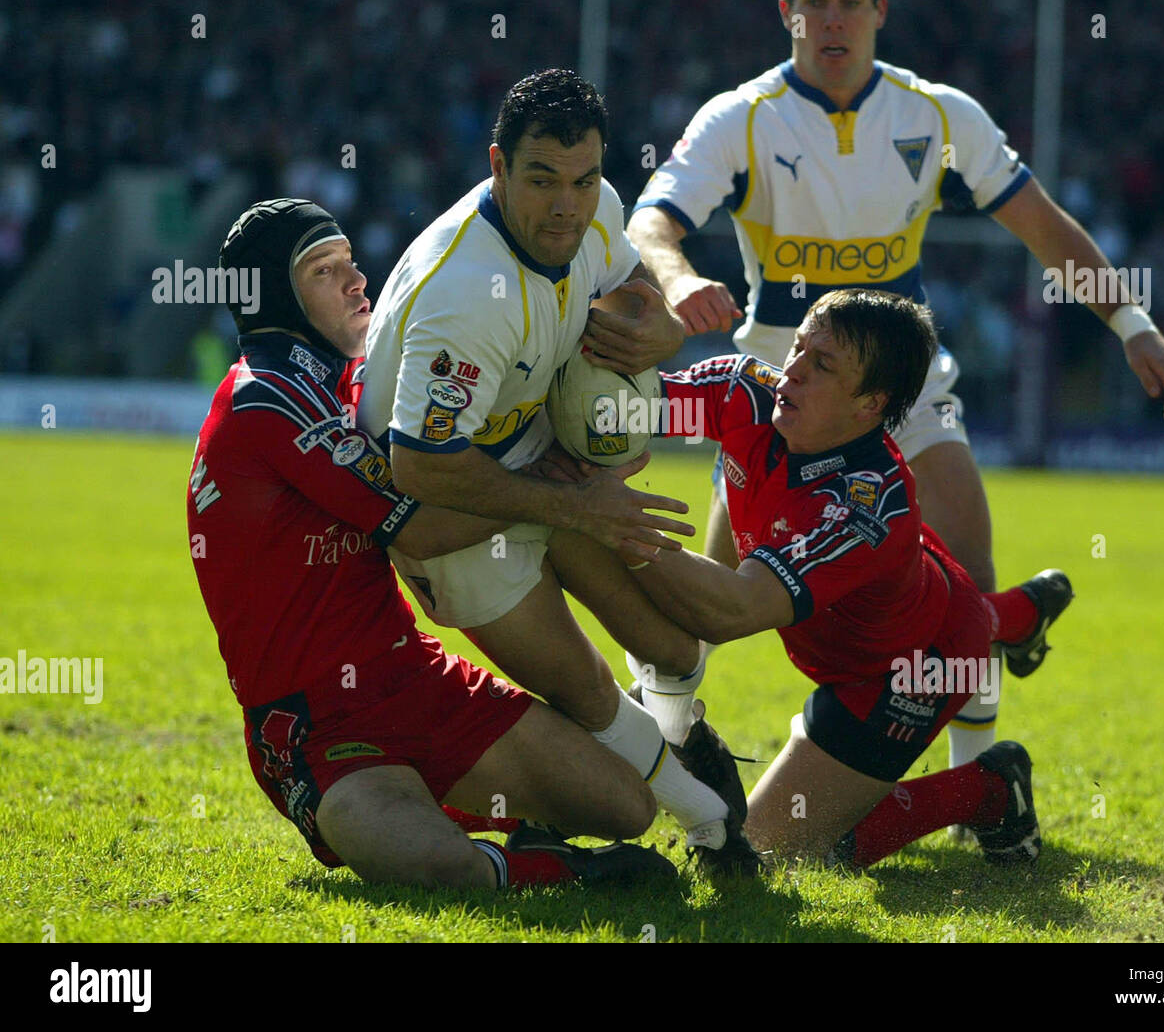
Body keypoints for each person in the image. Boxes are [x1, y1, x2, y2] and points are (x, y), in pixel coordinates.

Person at [626, 0, 1164, 784]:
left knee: (966, 578)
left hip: (906, 394)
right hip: (783, 399)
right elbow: (650, 221)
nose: (833, 22)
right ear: (786, 12)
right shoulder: (740, 120)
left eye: (851, 2)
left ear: (880, 10)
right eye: (814, 3)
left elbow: (1043, 227)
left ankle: (978, 773)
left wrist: (1135, 326)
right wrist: (674, 281)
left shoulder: (937, 116)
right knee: (701, 601)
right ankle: (664, 761)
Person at [187, 197, 676, 890]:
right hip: (318, 726)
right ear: (273, 297)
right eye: (326, 271)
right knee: (436, 862)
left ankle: (465, 814)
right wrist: (568, 500)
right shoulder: (267, 397)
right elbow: (419, 523)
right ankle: (544, 867)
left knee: (626, 803)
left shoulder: (346, 386)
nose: (357, 281)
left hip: (416, 683)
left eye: (352, 263)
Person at [357, 70, 759, 874]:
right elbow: (422, 465)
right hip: (448, 518)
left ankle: (660, 747)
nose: (567, 206)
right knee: (591, 696)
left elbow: (630, 288)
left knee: (675, 645)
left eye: (583, 180)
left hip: (543, 458)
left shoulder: (598, 211)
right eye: (542, 181)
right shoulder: (465, 293)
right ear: (499, 166)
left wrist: (663, 331)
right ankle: (714, 829)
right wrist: (577, 503)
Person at [625, 289, 1073, 866]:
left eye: (822, 365)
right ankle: (1021, 612)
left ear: (870, 404)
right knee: (959, 608)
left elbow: (733, 611)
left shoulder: (865, 507)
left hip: (905, 669)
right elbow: (636, 406)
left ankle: (989, 787)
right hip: (906, 590)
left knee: (780, 852)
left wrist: (618, 526)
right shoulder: (748, 390)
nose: (791, 373)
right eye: (797, 348)